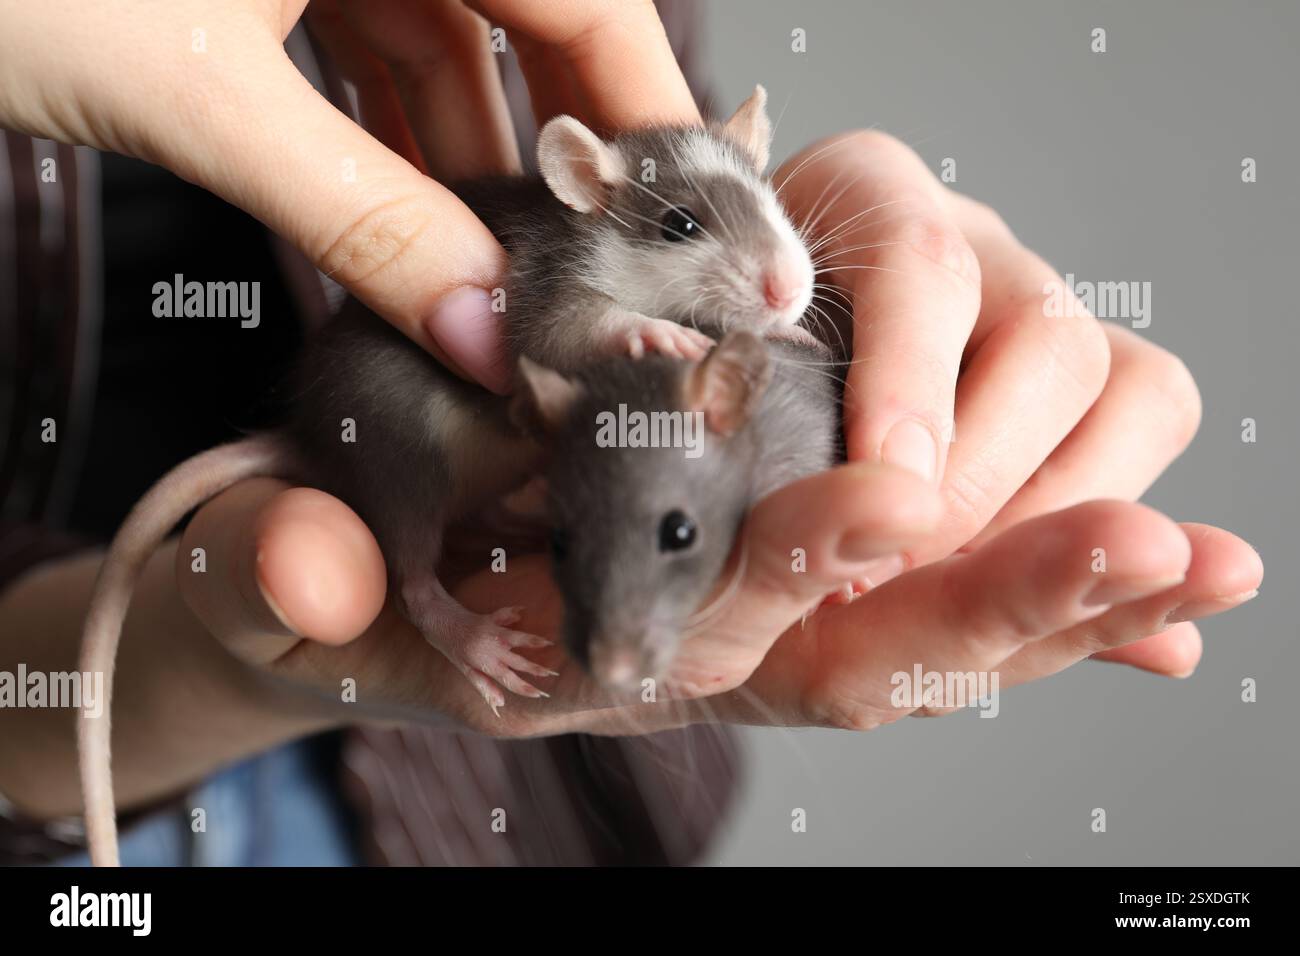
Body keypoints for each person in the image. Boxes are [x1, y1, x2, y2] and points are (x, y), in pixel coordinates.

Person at [0, 0, 1261, 865]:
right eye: (678, 239)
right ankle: (435, 599)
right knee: (389, 422)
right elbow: (555, 322)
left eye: (766, 215)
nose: (775, 278)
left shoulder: (672, 227)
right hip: (111, 705)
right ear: (581, 196)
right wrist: (211, 670)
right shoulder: (574, 270)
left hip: (525, 822)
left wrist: (874, 300)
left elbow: (664, 127)